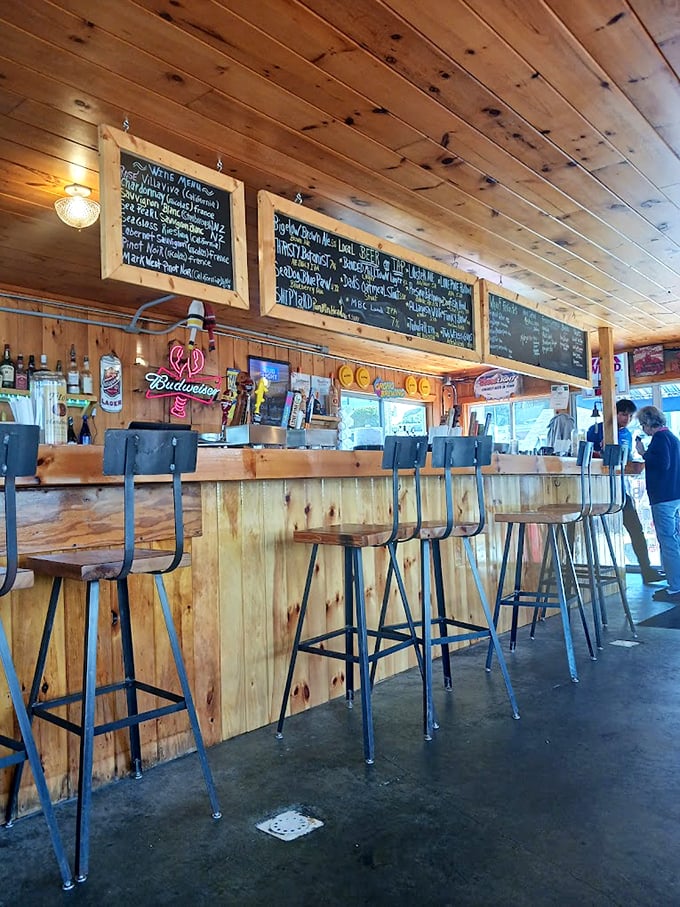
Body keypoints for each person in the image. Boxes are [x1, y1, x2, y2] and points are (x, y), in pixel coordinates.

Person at [587, 398, 664, 583]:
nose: (627, 419)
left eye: (630, 416)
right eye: (623, 414)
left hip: (618, 489)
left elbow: (624, 459)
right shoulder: (595, 430)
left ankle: (646, 570)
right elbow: (589, 455)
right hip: (595, 491)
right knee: (632, 530)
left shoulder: (627, 434)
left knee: (636, 530)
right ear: (614, 413)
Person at [635, 406, 680, 603]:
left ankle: (675, 587)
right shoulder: (672, 437)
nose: (642, 428)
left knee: (668, 542)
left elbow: (662, 464)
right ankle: (676, 583)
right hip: (675, 495)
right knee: (674, 541)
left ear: (648, 423)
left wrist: (643, 453)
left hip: (663, 497)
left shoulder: (660, 439)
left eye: (642, 424)